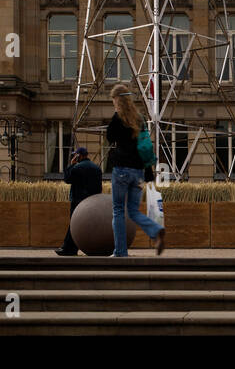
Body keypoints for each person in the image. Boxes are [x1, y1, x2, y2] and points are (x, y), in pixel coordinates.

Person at [107, 82, 166, 256]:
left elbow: (110, 137)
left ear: (117, 100)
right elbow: (145, 145)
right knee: (133, 211)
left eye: (113, 101)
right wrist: (148, 171)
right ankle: (155, 230)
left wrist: (115, 115)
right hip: (139, 171)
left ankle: (120, 251)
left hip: (122, 170)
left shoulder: (118, 118)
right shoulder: (139, 119)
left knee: (118, 210)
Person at [56, 145, 104, 255]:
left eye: (75, 155)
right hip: (93, 201)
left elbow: (67, 179)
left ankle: (68, 249)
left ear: (79, 156)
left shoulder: (77, 168)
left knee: (74, 224)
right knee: (90, 225)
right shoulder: (97, 168)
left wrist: (71, 165)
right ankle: (92, 248)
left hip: (78, 201)